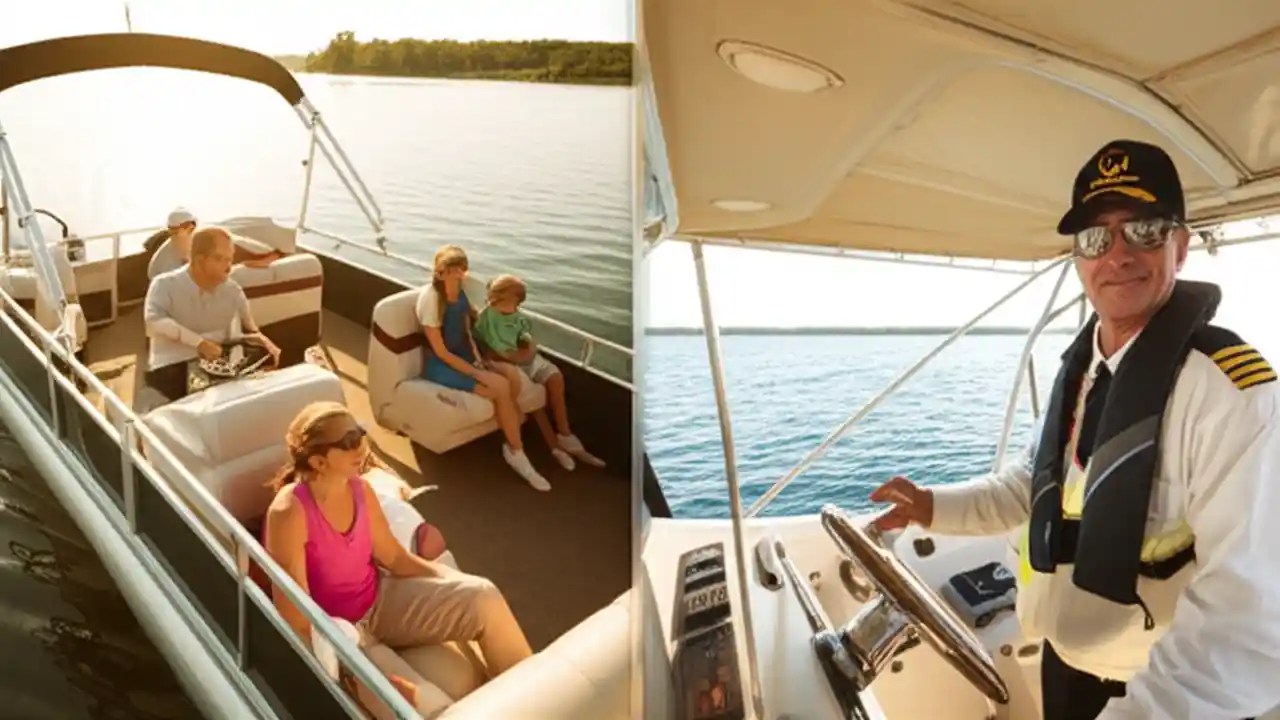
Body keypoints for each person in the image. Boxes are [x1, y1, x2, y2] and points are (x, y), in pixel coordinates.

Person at [868, 139, 1280, 720]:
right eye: (1094, 237)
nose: (1118, 254)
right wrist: (932, 507)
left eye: (1144, 229)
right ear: (1078, 257)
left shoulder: (1232, 396)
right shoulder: (1081, 372)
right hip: (1063, 662)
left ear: (1181, 247)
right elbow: (1028, 489)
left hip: (1150, 690)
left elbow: (1247, 619)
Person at [262, 402, 533, 711]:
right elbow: (293, 610)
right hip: (344, 633)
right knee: (426, 706)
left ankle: (535, 704)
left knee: (484, 595)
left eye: (360, 432)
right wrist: (342, 656)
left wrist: (451, 580)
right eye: (349, 441)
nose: (361, 445)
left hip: (381, 600)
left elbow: (394, 557)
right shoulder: (289, 513)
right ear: (319, 462)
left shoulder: (361, 490)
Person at [416, 245, 550, 491]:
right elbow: (441, 351)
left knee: (508, 376)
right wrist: (477, 372)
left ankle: (515, 436)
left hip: (466, 357)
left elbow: (469, 330)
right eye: (449, 270)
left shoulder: (463, 294)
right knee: (499, 386)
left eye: (461, 269)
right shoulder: (431, 300)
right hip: (441, 365)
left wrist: (485, 355)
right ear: (439, 272)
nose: (456, 275)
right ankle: (517, 453)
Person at [474, 274, 605, 471]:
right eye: (513, 302)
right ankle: (555, 448)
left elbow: (525, 335)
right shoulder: (488, 319)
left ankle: (565, 434)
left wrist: (529, 347)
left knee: (555, 377)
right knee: (535, 400)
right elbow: (497, 350)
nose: (516, 307)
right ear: (502, 298)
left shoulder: (516, 315)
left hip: (528, 359)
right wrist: (522, 356)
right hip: (507, 363)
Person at [142, 226, 281, 403]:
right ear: (199, 260)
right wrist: (199, 343)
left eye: (230, 259)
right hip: (171, 367)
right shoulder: (163, 285)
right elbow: (153, 323)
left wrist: (265, 343)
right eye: (221, 259)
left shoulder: (233, 291)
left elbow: (251, 329)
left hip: (219, 371)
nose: (229, 267)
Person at [146, 207, 280, 279]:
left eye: (191, 227)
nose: (187, 233)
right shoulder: (166, 264)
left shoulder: (194, 241)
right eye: (178, 230)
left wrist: (265, 255)